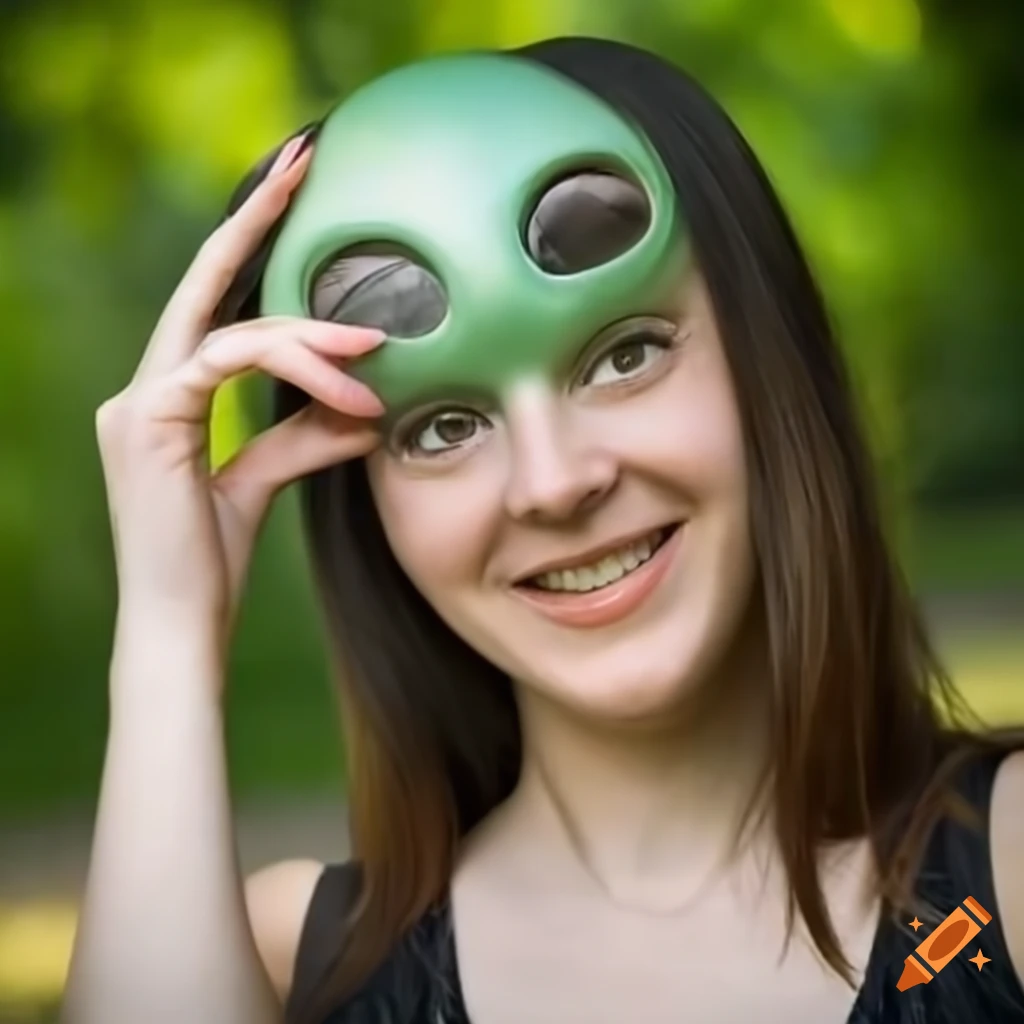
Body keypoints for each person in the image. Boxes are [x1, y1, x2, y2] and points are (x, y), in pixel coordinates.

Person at [63, 35, 1024, 1024]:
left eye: (624, 355)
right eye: (442, 426)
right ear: (365, 499)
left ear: (768, 354)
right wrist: (169, 637)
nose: (553, 482)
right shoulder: (285, 965)